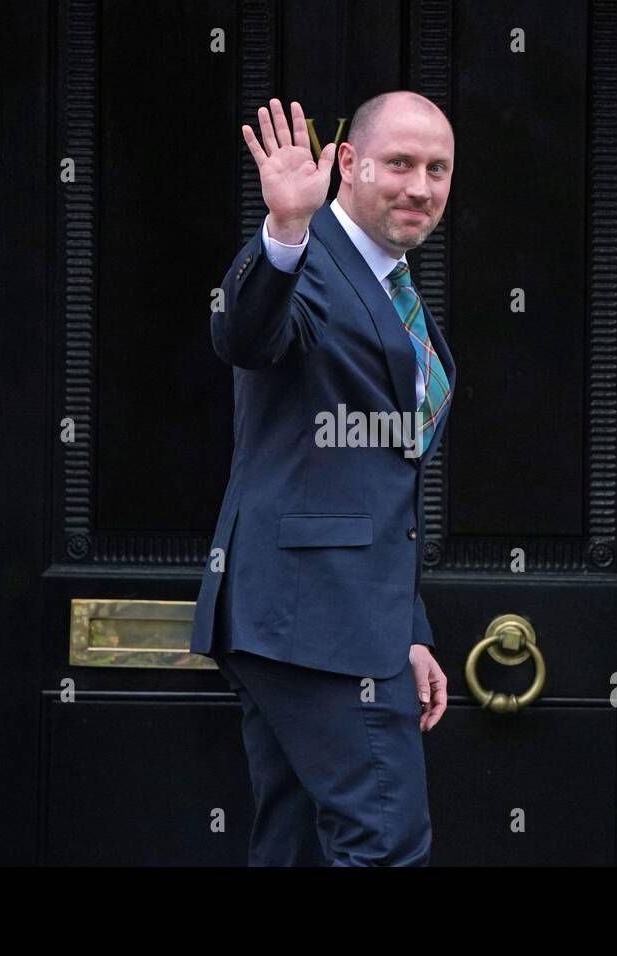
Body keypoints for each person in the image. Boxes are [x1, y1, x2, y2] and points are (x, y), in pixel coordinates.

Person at [190, 91, 458, 866]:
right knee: (383, 842)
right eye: (400, 163)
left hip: (333, 619)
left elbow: (374, 484)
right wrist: (284, 229)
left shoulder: (392, 287)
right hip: (315, 626)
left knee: (296, 846)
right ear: (348, 161)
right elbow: (246, 332)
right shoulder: (309, 262)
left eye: (437, 169)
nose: (420, 186)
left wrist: (405, 628)